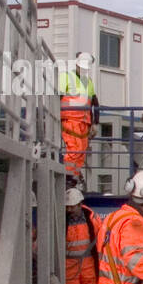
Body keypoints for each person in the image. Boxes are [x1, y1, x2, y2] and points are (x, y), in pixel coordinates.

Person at [59, 51, 98, 186]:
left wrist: (95, 123)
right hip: (70, 119)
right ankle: (66, 177)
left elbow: (94, 102)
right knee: (74, 149)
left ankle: (73, 178)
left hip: (84, 122)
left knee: (81, 151)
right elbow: (57, 96)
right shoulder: (66, 77)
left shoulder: (88, 82)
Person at [64, 186, 104, 284]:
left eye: (72, 207)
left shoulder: (92, 218)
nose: (69, 210)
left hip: (88, 264)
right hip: (69, 266)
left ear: (80, 204)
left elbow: (101, 239)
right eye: (68, 207)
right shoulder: (62, 219)